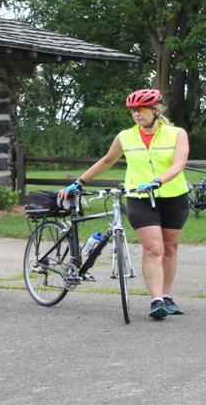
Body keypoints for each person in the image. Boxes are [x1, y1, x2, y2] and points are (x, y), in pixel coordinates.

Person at [60, 89, 191, 320]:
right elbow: (107, 160)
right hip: (139, 198)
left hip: (174, 197)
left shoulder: (177, 134)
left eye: (141, 110)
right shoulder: (125, 136)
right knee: (154, 248)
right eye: (133, 111)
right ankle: (156, 299)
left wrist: (158, 181)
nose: (136, 114)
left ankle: (167, 296)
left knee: (170, 248)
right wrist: (79, 181)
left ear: (156, 110)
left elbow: (179, 164)